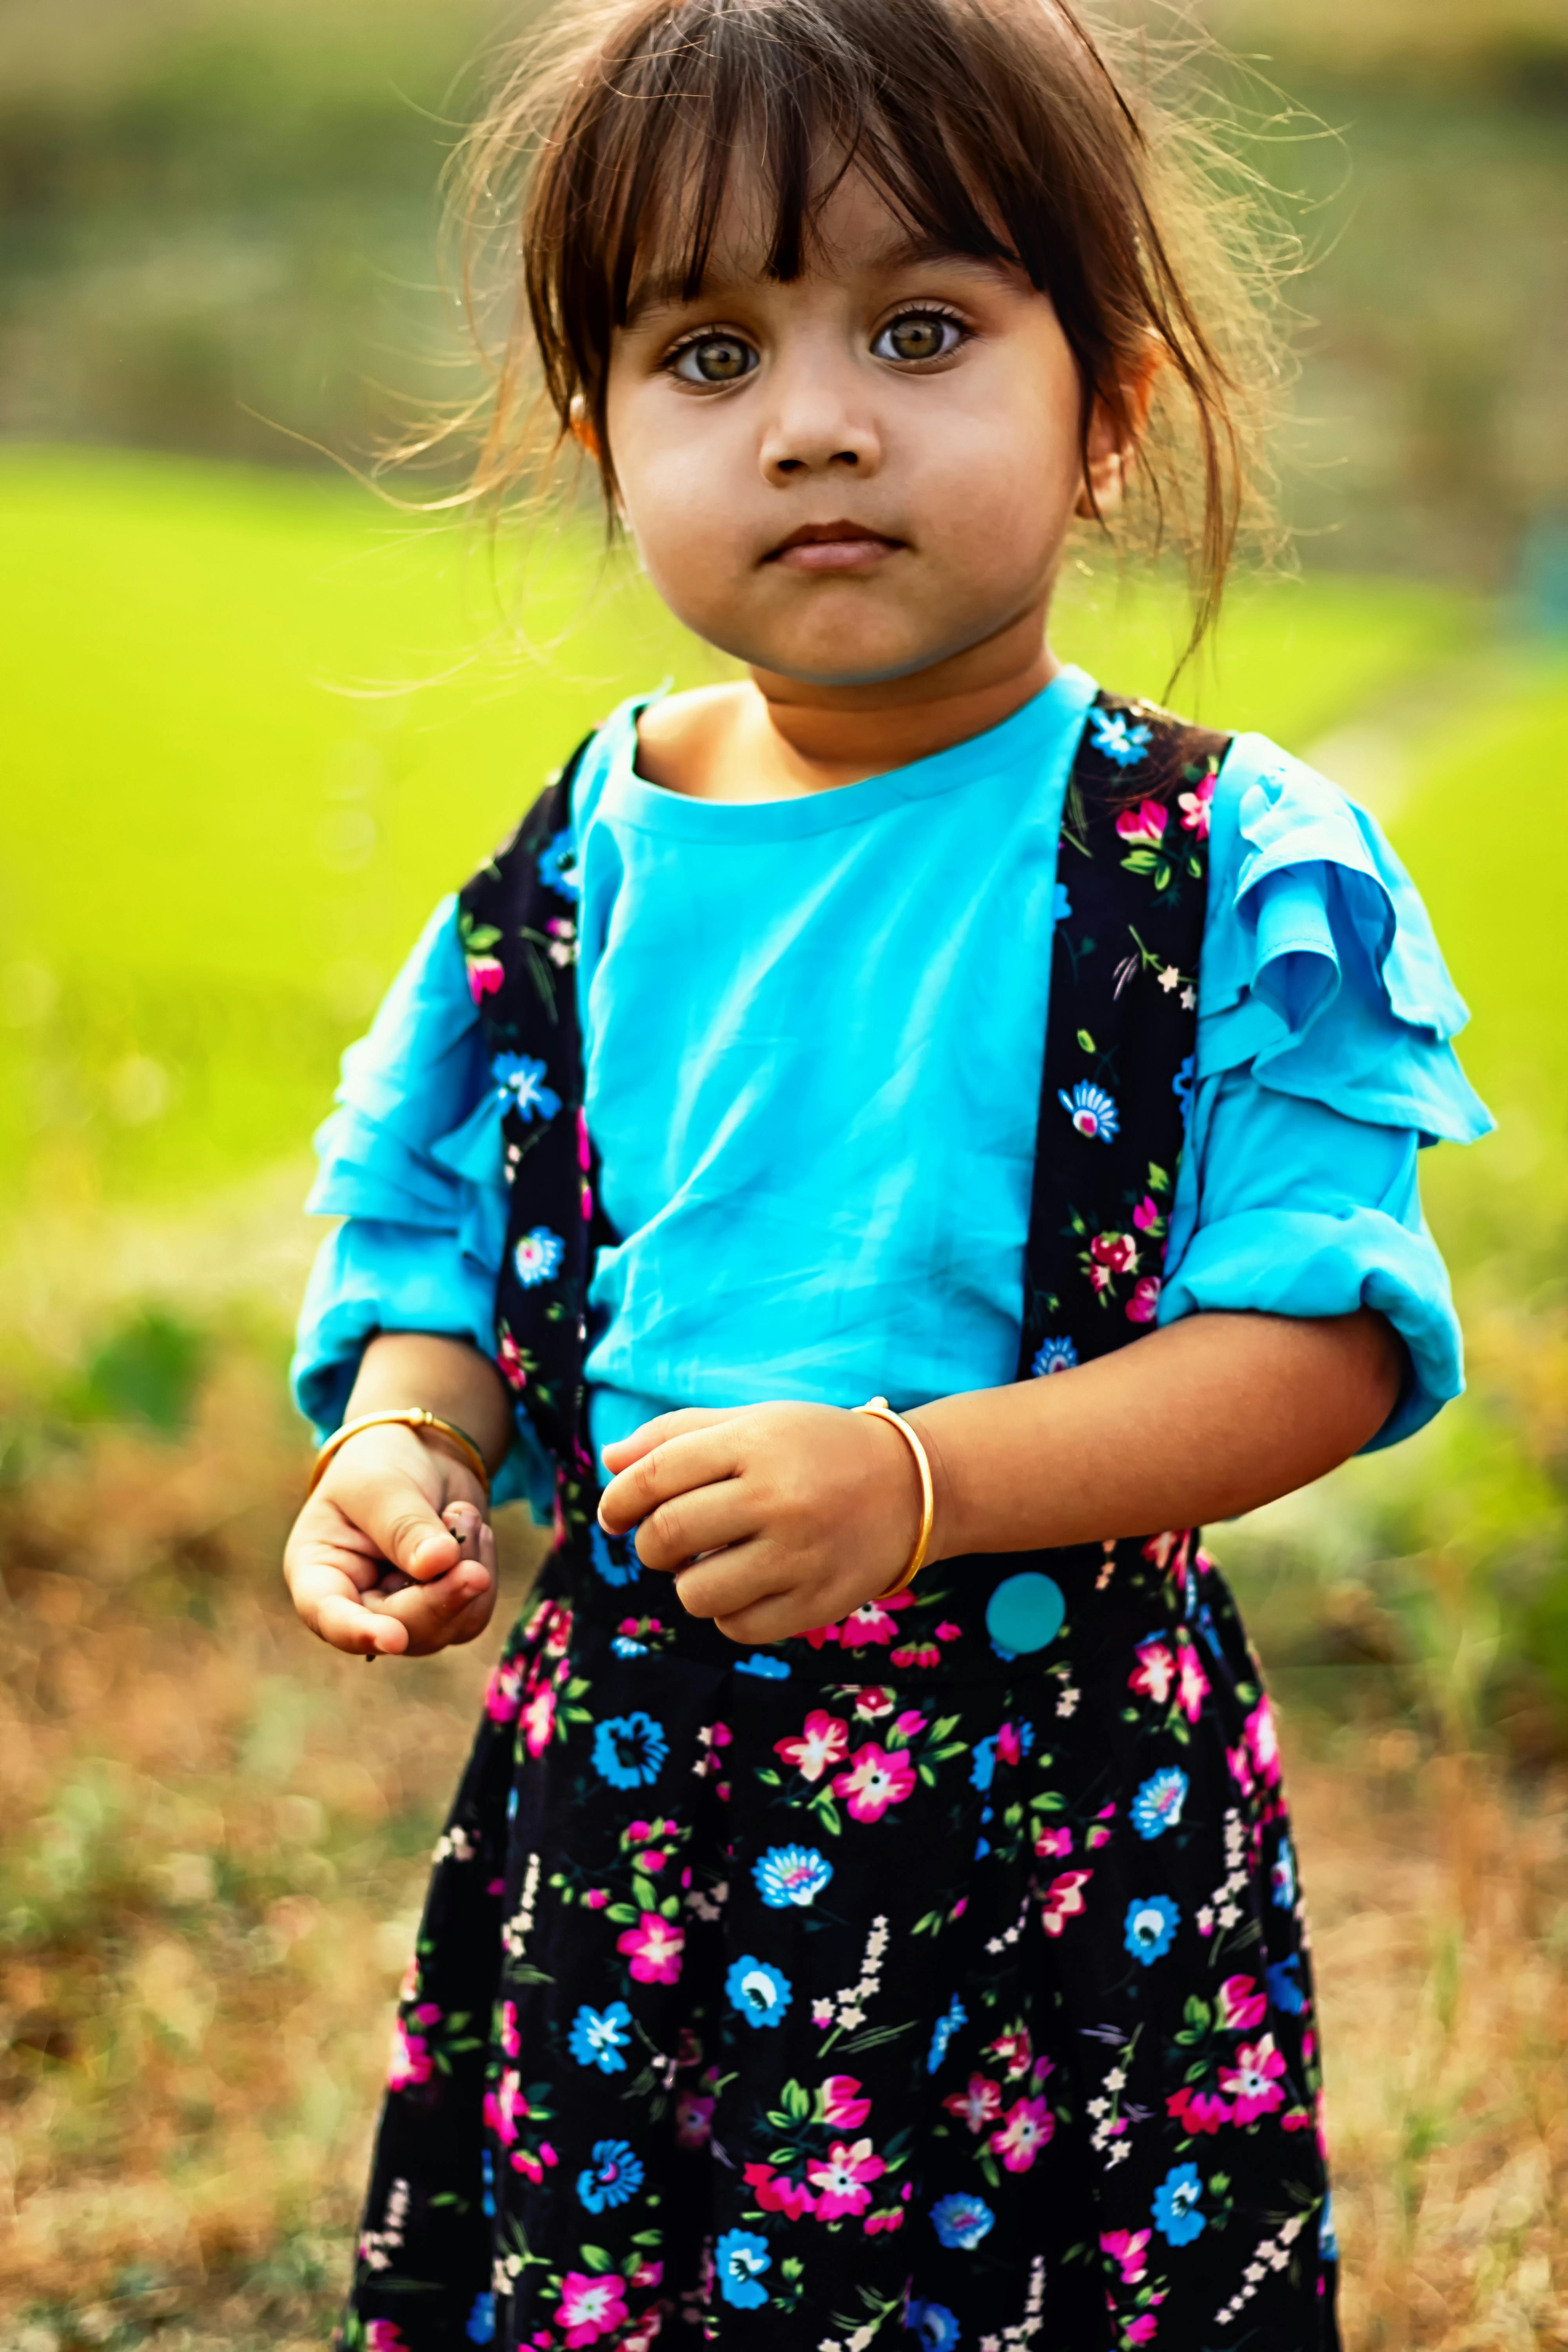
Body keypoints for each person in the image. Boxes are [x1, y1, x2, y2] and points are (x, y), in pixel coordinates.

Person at [283, 2, 1490, 2345]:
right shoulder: (574, 866)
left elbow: (1320, 1346)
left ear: (1106, 406)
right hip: (628, 1818)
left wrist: (914, 1483)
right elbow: (441, 1226)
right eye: (709, 351)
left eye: (922, 329)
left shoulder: (1221, 865)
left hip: (1062, 1842)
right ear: (600, 441)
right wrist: (409, 1438)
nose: (817, 418)